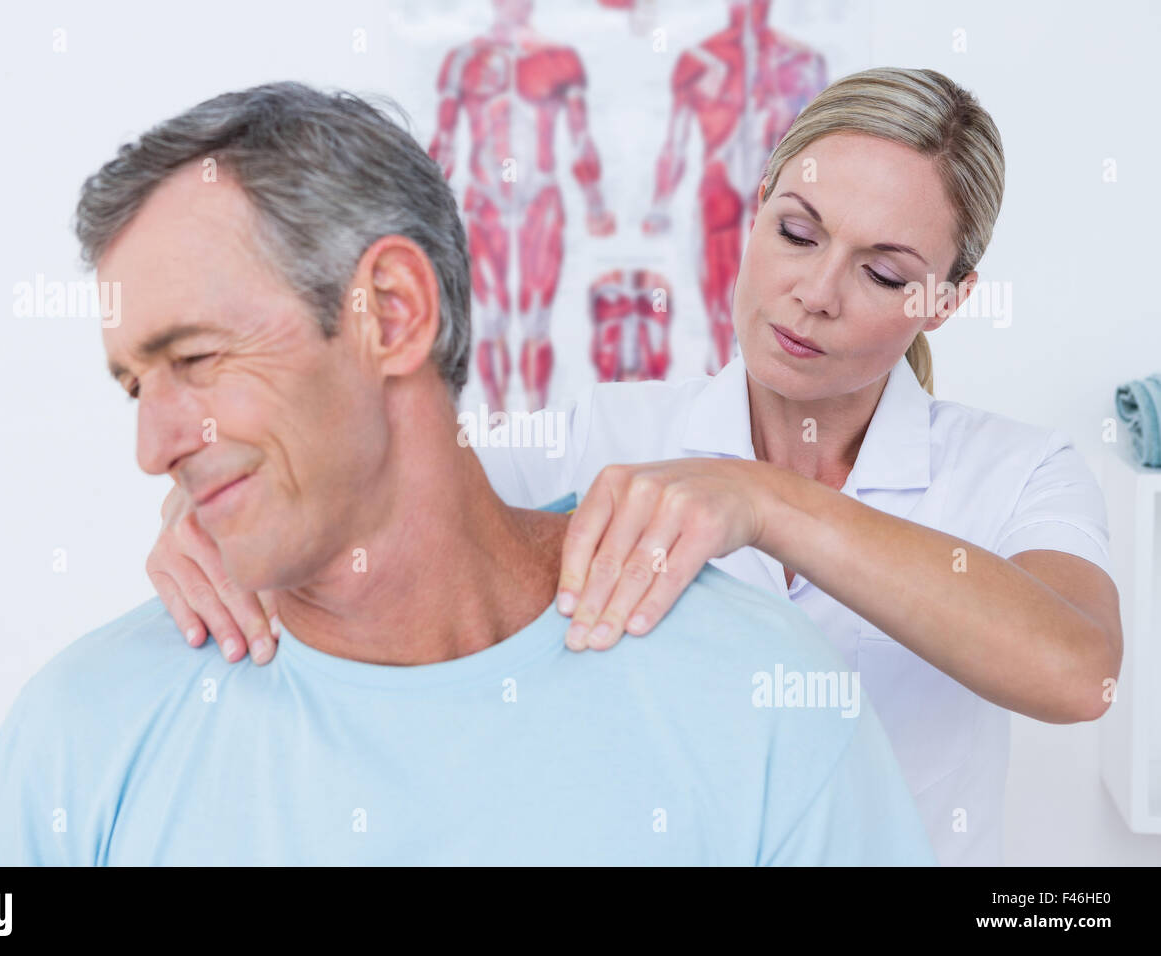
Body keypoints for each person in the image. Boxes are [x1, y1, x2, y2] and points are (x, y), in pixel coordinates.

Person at [146, 68, 1124, 867]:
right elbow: (376, 479)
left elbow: (1078, 671)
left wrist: (764, 500)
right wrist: (223, 507)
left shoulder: (1014, 471)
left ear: (946, 301)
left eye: (882, 272)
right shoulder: (603, 432)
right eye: (796, 231)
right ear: (753, 213)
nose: (814, 292)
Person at [0, 81, 934, 866]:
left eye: (199, 358)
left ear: (390, 310)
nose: (152, 445)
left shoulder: (756, 696)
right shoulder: (82, 732)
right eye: (136, 385)